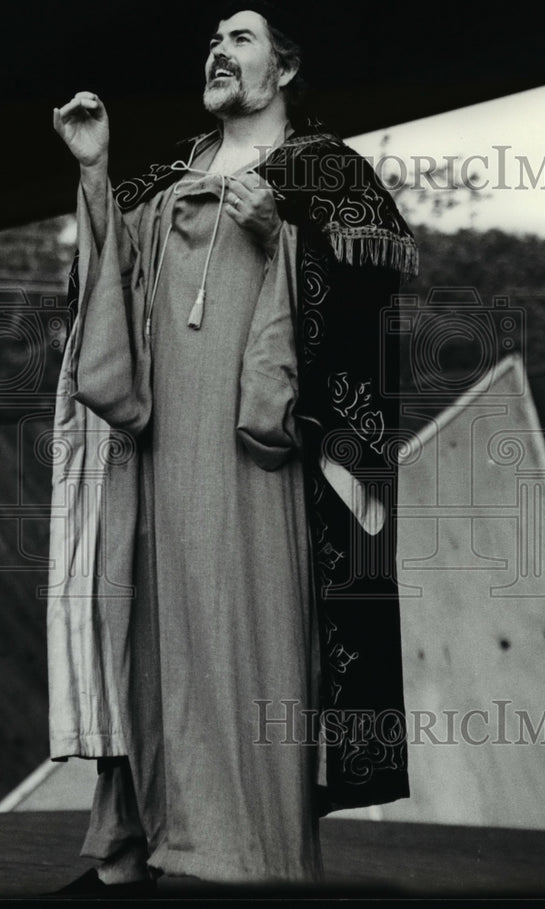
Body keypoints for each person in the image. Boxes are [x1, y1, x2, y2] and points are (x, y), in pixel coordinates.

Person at [48, 1, 418, 893]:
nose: (218, 51)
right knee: (148, 636)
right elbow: (102, 298)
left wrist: (280, 233)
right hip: (158, 456)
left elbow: (385, 286)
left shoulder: (331, 175)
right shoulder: (160, 180)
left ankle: (248, 858)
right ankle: (136, 848)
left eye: (240, 39)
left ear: (284, 69)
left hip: (262, 461)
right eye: (213, 40)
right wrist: (96, 175)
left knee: (246, 637)